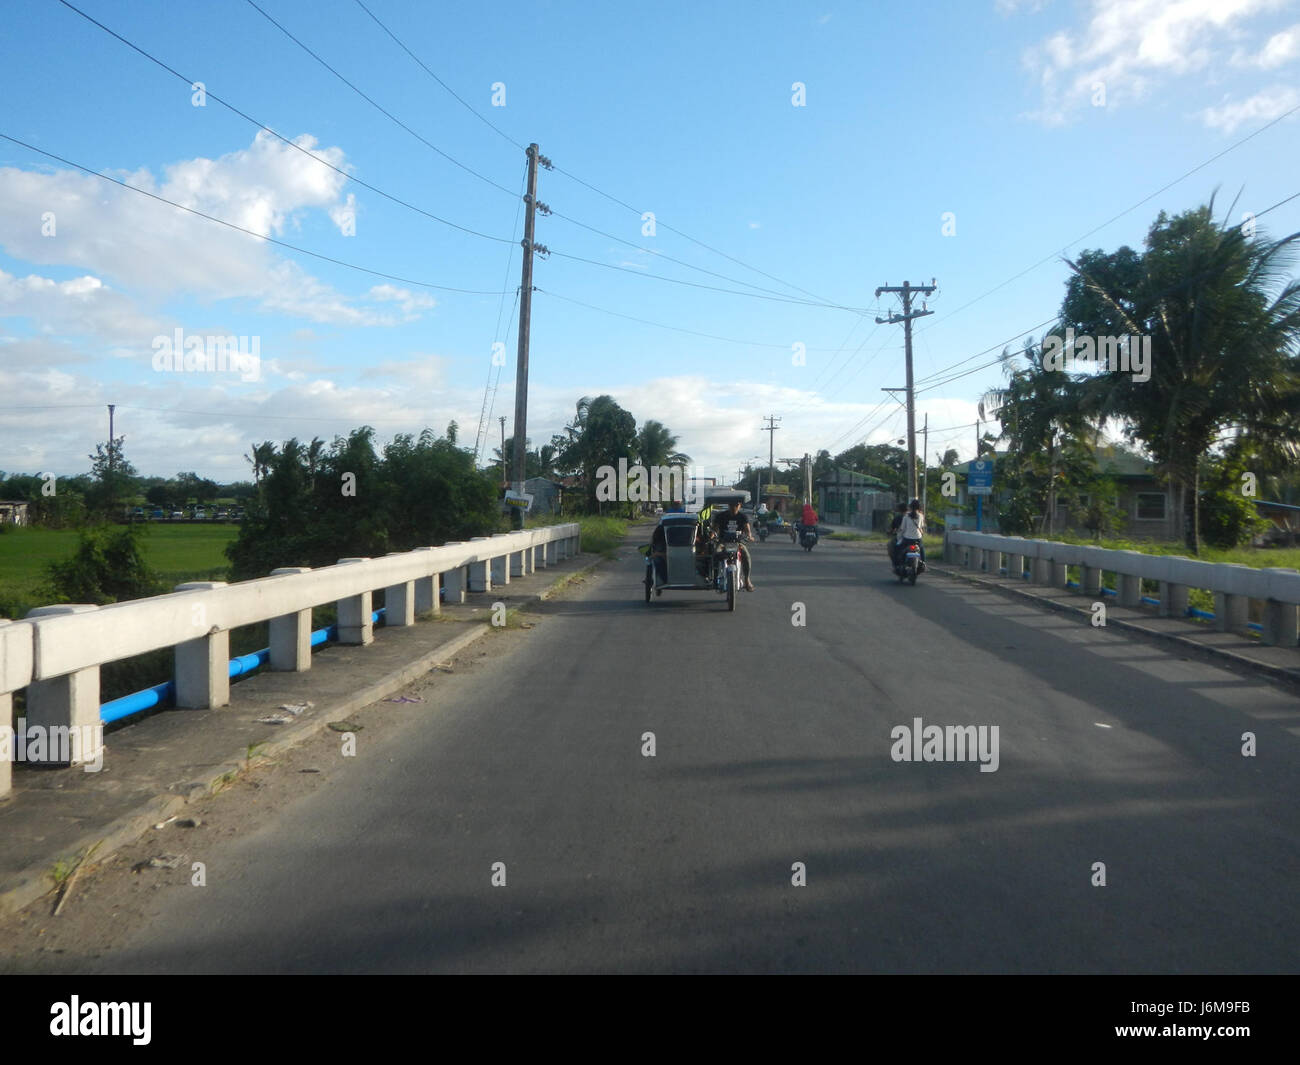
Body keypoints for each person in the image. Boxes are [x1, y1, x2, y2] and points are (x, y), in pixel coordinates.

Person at [710, 499, 756, 590]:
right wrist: (712, 535)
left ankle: (747, 580)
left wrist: (749, 536)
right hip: (723, 542)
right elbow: (715, 529)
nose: (734, 507)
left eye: (736, 505)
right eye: (732, 504)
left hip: (737, 543)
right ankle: (715, 578)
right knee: (716, 553)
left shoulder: (743, 517)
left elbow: (747, 530)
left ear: (740, 505)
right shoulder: (721, 516)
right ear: (728, 505)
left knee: (746, 556)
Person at [897, 498, 926, 570]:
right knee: (922, 550)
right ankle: (923, 563)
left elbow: (902, 528)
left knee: (901, 550)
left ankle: (901, 564)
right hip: (917, 539)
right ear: (919, 507)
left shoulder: (906, 516)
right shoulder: (921, 516)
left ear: (910, 507)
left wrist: (899, 534)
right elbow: (921, 527)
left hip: (907, 539)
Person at [888, 502, 907, 567]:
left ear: (899, 509)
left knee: (892, 547)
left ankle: (895, 562)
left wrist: (890, 532)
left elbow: (893, 528)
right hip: (912, 537)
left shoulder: (897, 517)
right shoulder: (910, 516)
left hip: (901, 537)